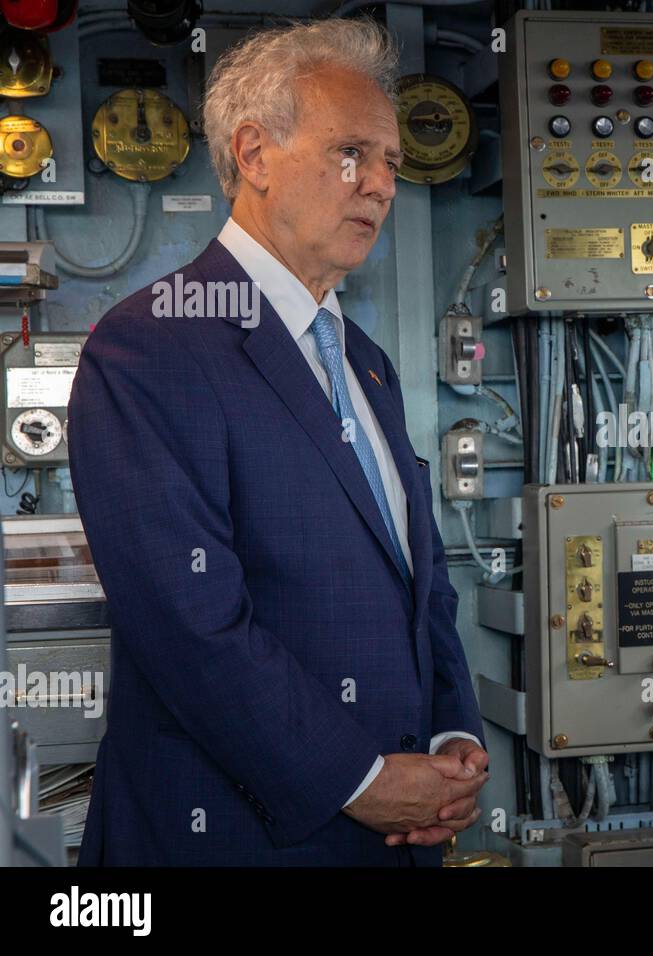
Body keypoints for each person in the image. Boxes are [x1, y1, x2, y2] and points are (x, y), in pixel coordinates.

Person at [68, 19, 485, 865]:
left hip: (399, 829)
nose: (380, 185)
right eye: (351, 154)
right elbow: (191, 627)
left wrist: (453, 734)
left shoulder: (363, 362)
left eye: (393, 163)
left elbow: (422, 580)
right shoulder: (149, 345)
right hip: (234, 837)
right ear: (254, 155)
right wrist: (359, 779)